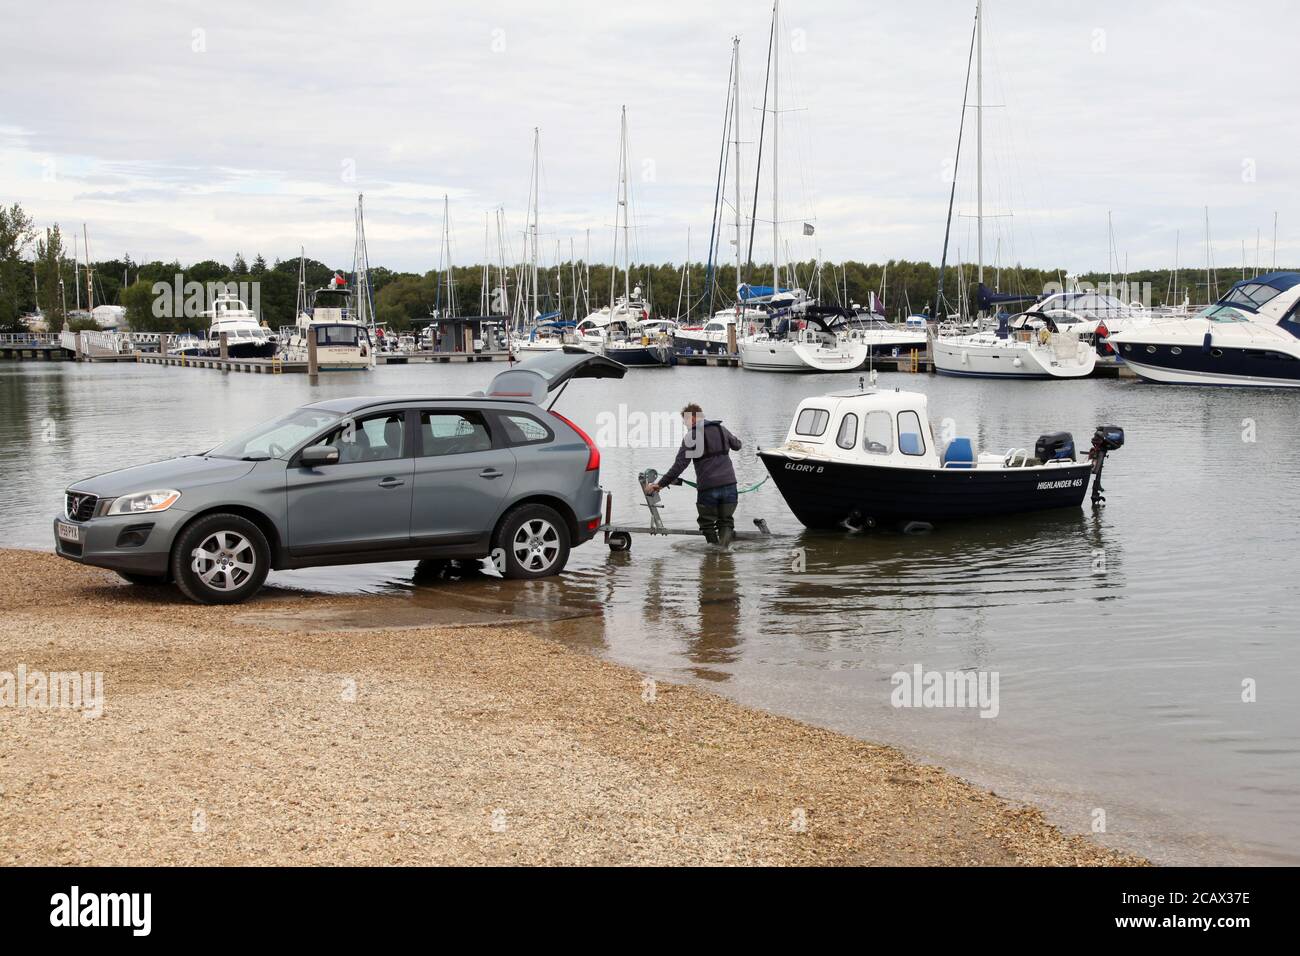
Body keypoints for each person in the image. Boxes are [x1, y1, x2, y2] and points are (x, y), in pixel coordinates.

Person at [646, 404, 743, 547]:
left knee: (707, 524)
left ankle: (715, 552)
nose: (685, 425)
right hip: (730, 485)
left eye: (685, 422)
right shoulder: (721, 429)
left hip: (708, 488)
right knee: (726, 521)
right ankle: (724, 553)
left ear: (692, 418)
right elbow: (737, 445)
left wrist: (659, 484)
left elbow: (679, 466)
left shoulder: (692, 437)